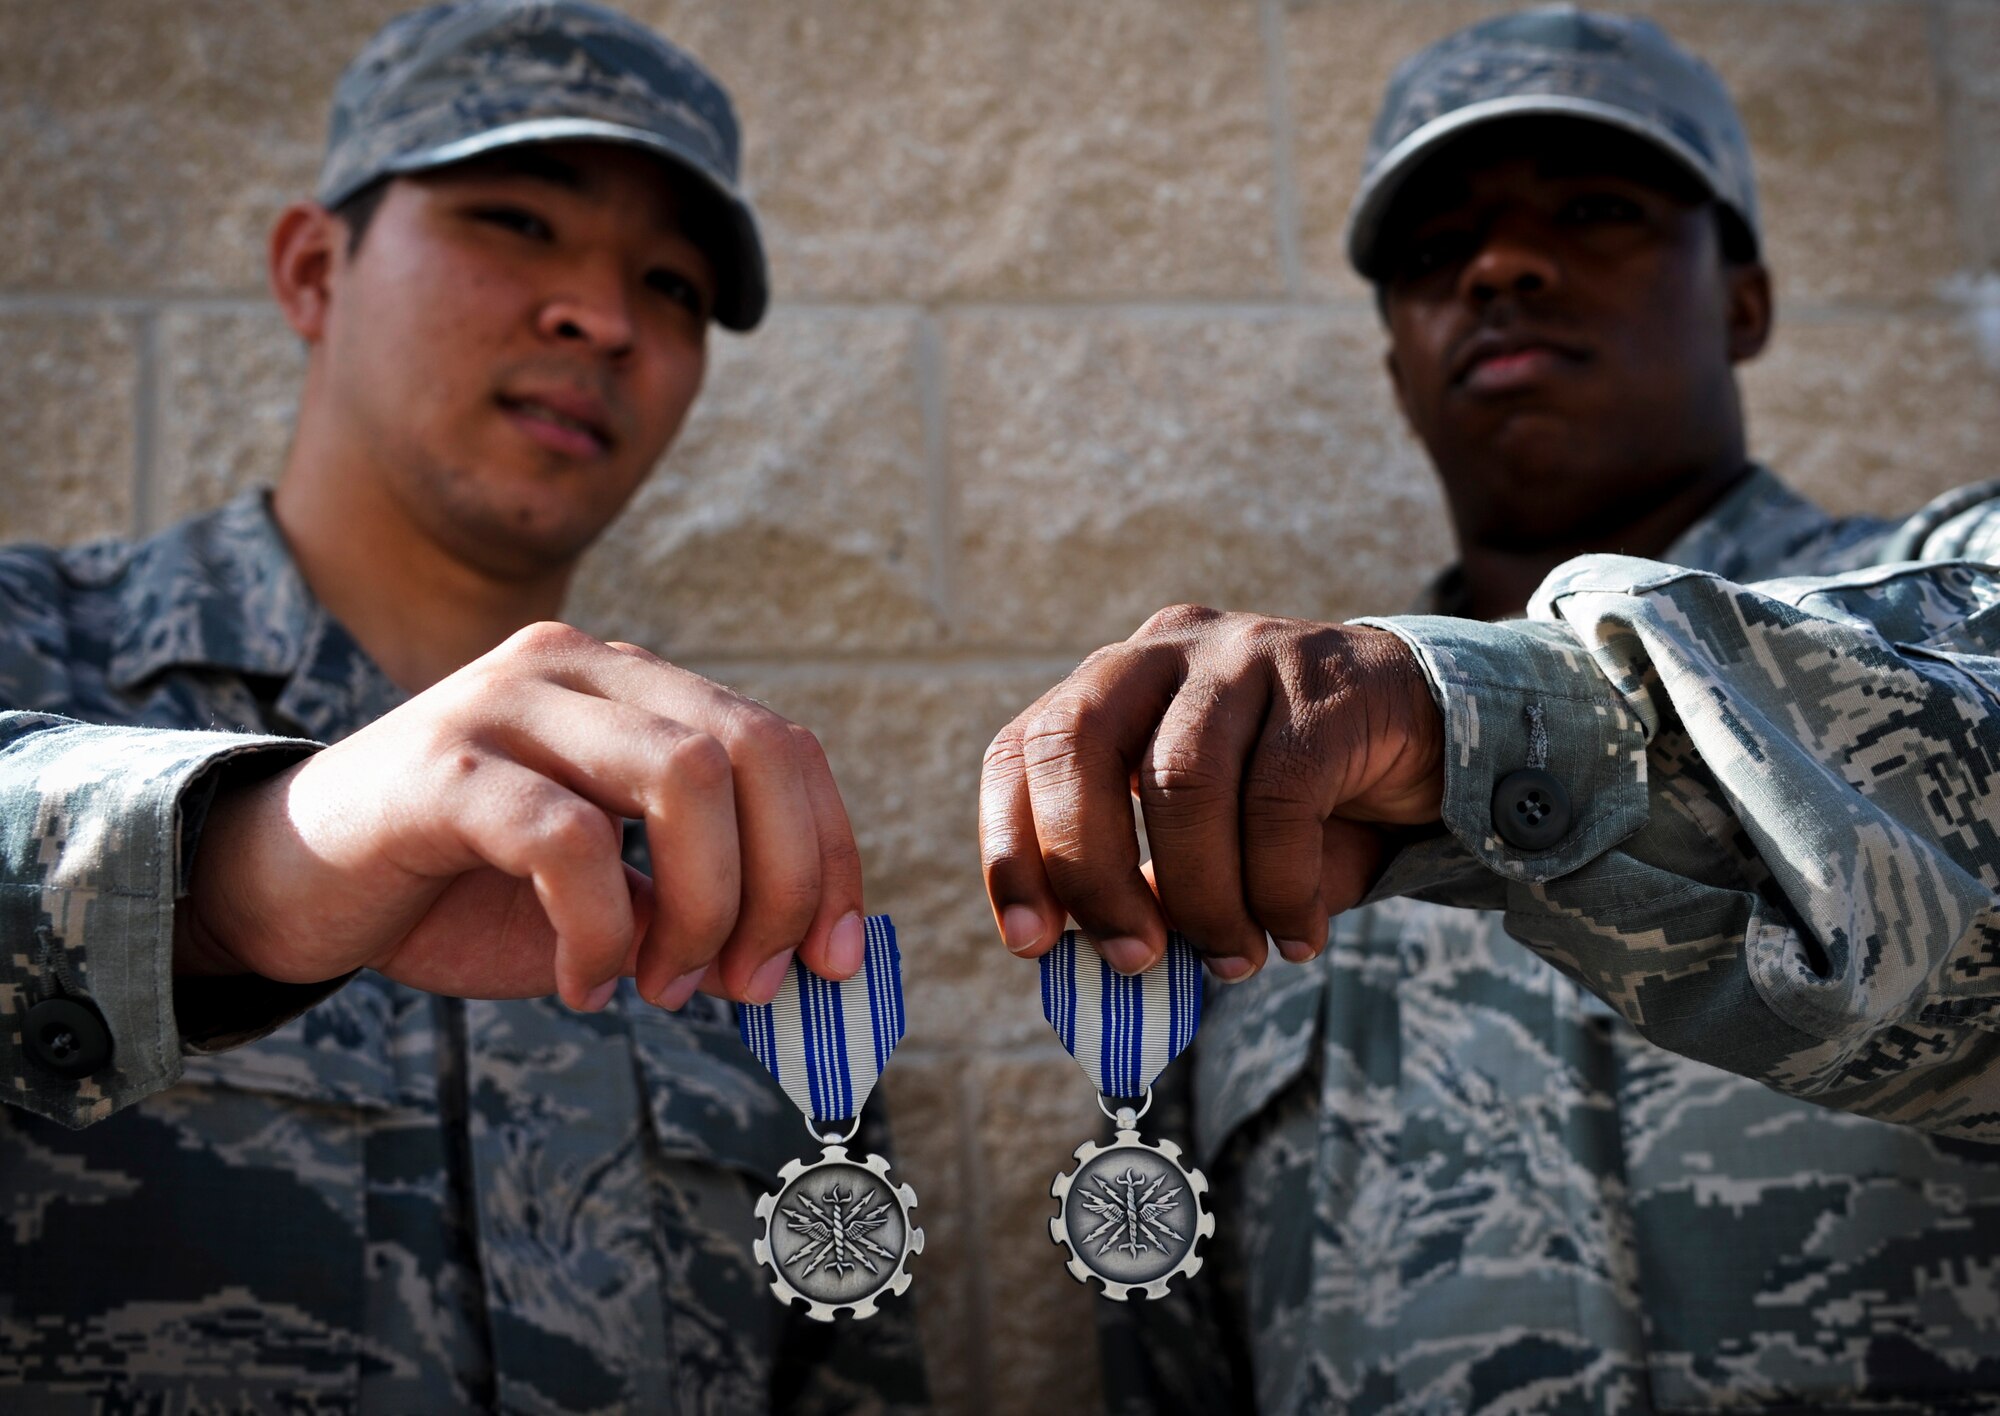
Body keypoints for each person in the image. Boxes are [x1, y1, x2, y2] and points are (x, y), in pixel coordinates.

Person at [979, 8, 2000, 1412]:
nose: (1503, 266)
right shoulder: (1246, 780)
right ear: (1398, 355)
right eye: (1431, 253)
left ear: (1745, 299)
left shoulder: (1963, 599)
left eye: (1594, 210)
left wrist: (1478, 724)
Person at [0, 1, 925, 1410]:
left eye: (672, 286)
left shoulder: (723, 836)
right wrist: (243, 864)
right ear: (316, 268)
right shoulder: (35, 663)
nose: (604, 318)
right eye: (514, 220)